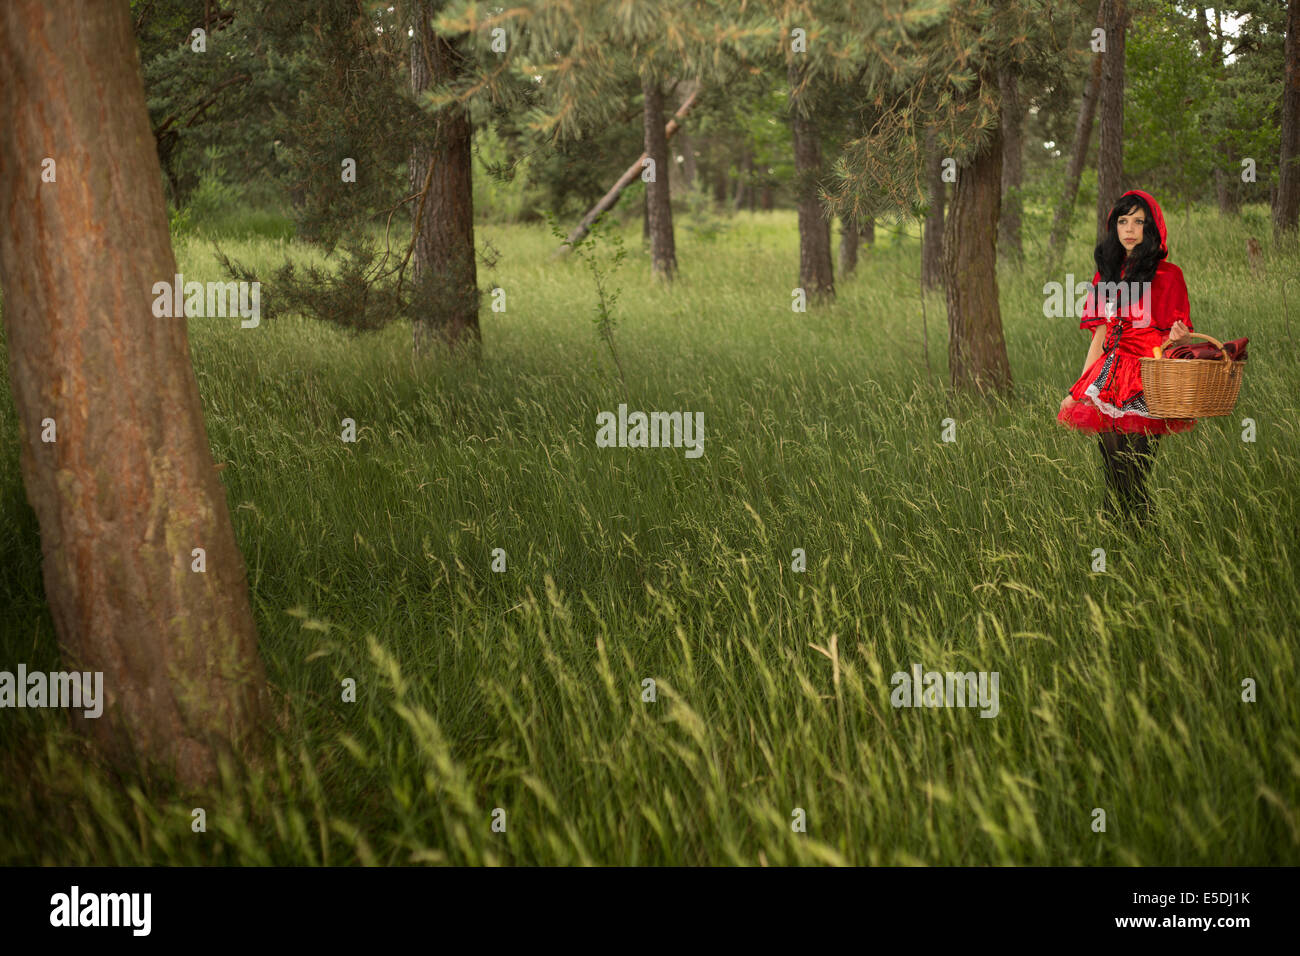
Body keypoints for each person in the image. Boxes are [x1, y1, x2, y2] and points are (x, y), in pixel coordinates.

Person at [1057, 189, 1195, 531]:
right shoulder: (1106, 275)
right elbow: (1100, 338)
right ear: (1114, 227)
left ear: (1151, 228)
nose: (1129, 229)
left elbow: (1178, 337)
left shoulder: (1168, 275)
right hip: (1109, 377)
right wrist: (1078, 390)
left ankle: (1148, 541)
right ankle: (1117, 543)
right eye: (1123, 221)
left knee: (1135, 472)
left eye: (1138, 221)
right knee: (1114, 476)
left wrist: (1178, 337)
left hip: (1148, 375)